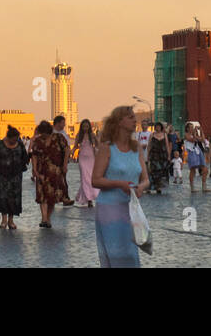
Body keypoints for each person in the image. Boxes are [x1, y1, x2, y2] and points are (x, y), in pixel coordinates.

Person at [91, 105, 150, 268]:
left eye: (134, 117)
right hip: (109, 209)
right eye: (130, 117)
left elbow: (145, 178)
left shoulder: (136, 147)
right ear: (119, 122)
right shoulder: (106, 148)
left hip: (130, 209)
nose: (135, 120)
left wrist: (141, 187)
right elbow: (95, 180)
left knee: (131, 255)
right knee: (116, 255)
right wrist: (119, 184)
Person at [30, 120, 68, 227]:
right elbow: (34, 155)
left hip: (55, 171)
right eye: (42, 134)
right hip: (41, 171)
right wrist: (34, 169)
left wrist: (65, 165)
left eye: (46, 133)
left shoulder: (59, 138)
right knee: (42, 195)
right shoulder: (38, 141)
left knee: (52, 196)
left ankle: (48, 217)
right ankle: (44, 218)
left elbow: (67, 150)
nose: (44, 136)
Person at [0, 125, 27, 230]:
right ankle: (4, 220)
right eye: (13, 139)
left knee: (14, 198)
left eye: (16, 139)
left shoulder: (20, 145)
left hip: (16, 176)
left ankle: (11, 221)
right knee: (3, 197)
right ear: (8, 137)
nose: (15, 141)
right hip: (2, 176)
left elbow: (24, 157)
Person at [72, 119, 100, 206]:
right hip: (82, 158)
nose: (85, 128)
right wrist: (72, 152)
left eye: (87, 126)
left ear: (89, 127)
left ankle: (91, 196)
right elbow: (75, 146)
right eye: (84, 126)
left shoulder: (92, 135)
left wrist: (96, 140)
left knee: (90, 178)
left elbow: (98, 145)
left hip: (91, 158)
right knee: (84, 178)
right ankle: (89, 199)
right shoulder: (79, 135)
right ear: (81, 127)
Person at [53, 115, 74, 206]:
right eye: (63, 123)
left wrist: (65, 163)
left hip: (61, 160)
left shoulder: (64, 133)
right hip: (51, 161)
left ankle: (65, 198)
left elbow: (67, 148)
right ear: (58, 123)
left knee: (63, 180)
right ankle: (52, 199)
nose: (64, 124)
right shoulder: (50, 133)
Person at [184, 122, 209, 192]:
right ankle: (192, 188)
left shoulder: (194, 134)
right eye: (191, 127)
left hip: (198, 151)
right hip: (192, 152)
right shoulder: (186, 135)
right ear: (187, 128)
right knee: (193, 170)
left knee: (205, 169)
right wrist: (194, 133)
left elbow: (203, 140)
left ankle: (204, 187)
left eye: (193, 127)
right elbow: (192, 140)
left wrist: (201, 131)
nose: (192, 128)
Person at [147, 122, 170, 194]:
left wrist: (169, 156)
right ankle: (152, 187)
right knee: (154, 171)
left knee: (161, 171)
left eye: (159, 127)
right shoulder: (152, 135)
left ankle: (159, 187)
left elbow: (167, 146)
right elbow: (149, 145)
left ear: (161, 127)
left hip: (163, 156)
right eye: (156, 126)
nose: (158, 128)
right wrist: (147, 156)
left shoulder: (164, 135)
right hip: (154, 155)